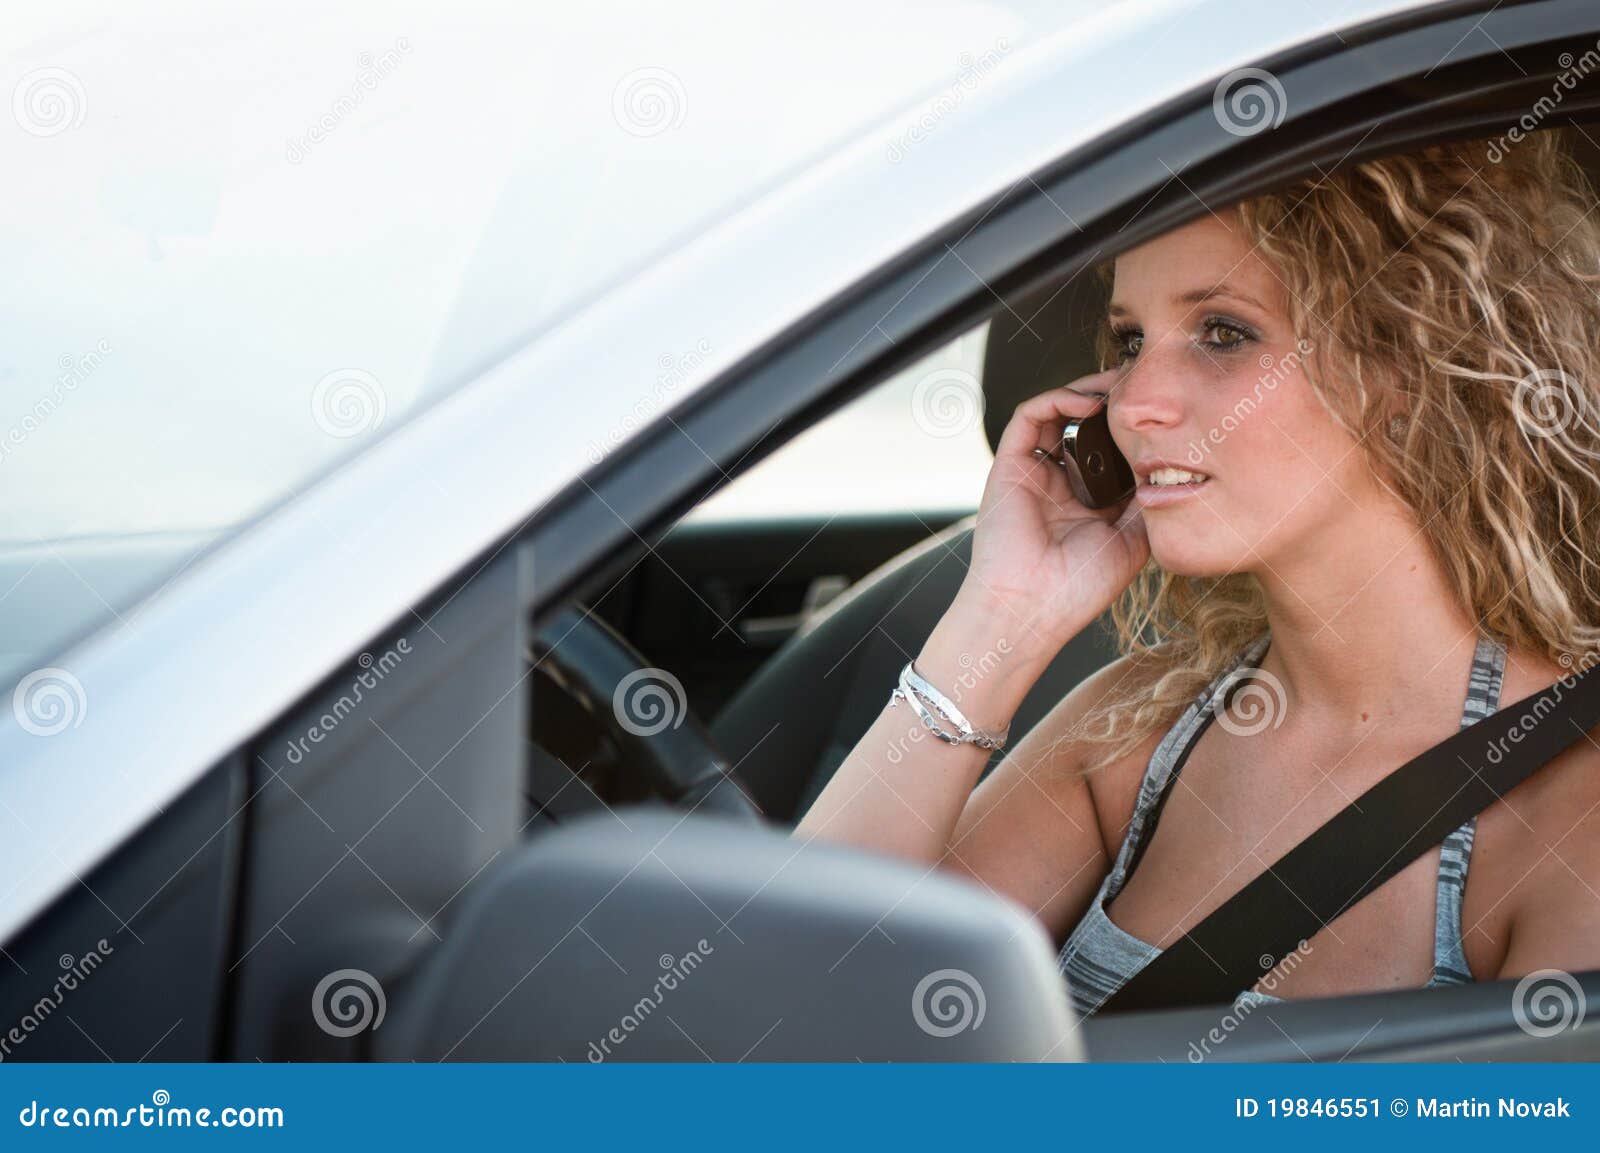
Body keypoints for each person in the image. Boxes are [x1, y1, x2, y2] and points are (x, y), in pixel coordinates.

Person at [795, 129, 1600, 1015]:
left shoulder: (1566, 809)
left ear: (1409, 364)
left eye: (1222, 333)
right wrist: (1003, 620)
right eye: (1130, 338)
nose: (1134, 400)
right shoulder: (1133, 730)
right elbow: (797, 1003)